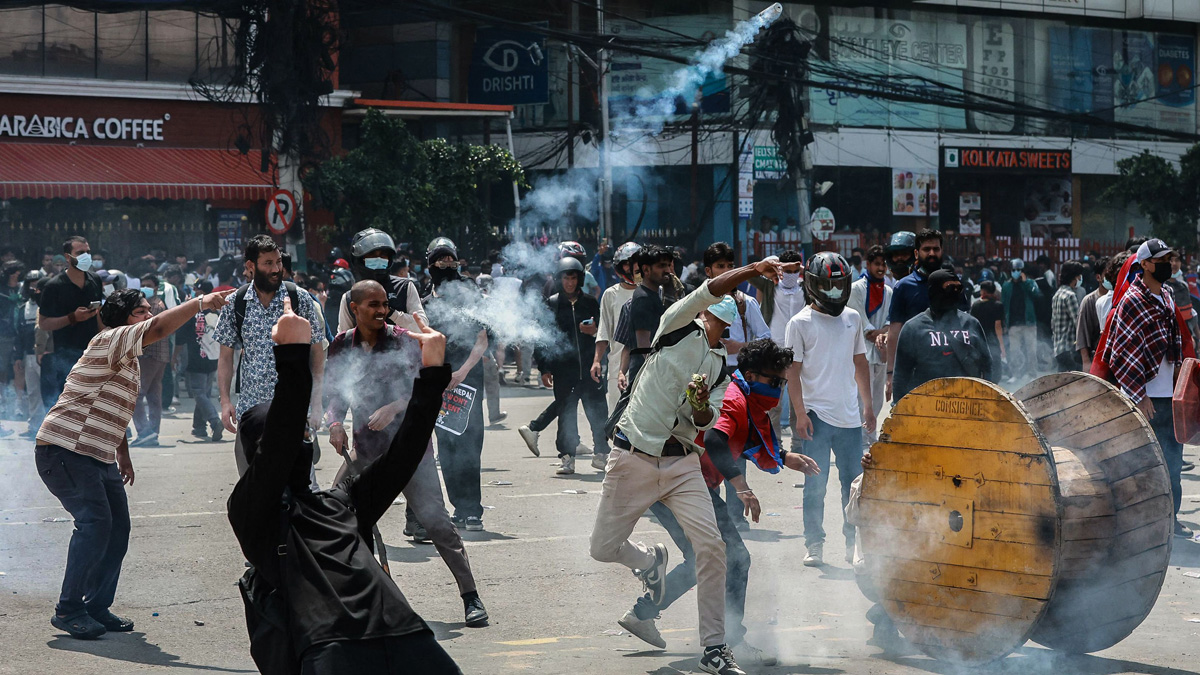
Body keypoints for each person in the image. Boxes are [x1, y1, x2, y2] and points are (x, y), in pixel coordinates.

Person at [227, 296, 463, 674]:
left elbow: (403, 453)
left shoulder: (341, 502)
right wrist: (291, 358)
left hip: (407, 639)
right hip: (333, 649)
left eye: (305, 431)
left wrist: (432, 373)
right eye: (296, 431)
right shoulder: (254, 513)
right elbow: (277, 450)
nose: (304, 436)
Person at [591, 258, 784, 675]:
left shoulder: (718, 368)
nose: (714, 320)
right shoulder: (676, 324)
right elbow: (715, 285)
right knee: (602, 550)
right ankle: (648, 562)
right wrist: (756, 268)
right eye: (713, 310)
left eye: (719, 320)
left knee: (715, 549)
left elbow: (704, 424)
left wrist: (697, 406)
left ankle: (715, 649)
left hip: (681, 466)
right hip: (632, 455)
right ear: (703, 309)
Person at [36, 285, 232, 639]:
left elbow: (117, 410)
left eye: (148, 310)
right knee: (95, 523)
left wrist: (122, 455)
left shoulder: (128, 360)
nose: (148, 316)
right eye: (141, 311)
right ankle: (68, 609)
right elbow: (158, 329)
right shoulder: (112, 339)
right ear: (124, 319)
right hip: (65, 448)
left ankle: (96, 605)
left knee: (118, 529)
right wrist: (200, 302)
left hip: (98, 453)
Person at [616, 338, 819, 662]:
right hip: (676, 483)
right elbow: (715, 439)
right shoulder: (733, 399)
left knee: (703, 559)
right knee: (736, 558)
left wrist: (784, 456)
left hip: (678, 483)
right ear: (751, 375)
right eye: (775, 381)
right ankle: (732, 642)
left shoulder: (748, 401)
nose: (779, 388)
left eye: (782, 381)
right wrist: (740, 485)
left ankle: (642, 614)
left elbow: (748, 438)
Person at [325, 280, 488, 627]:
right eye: (373, 305)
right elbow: (335, 392)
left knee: (438, 525)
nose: (382, 310)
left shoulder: (405, 340)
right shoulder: (341, 344)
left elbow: (427, 392)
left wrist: (393, 408)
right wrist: (334, 422)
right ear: (354, 309)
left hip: (412, 453)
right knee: (339, 517)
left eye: (384, 304)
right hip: (365, 450)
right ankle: (361, 603)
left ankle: (470, 596)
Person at [786, 251, 875, 568]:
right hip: (816, 419)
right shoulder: (799, 323)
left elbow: (860, 362)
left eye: (840, 286)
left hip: (850, 418)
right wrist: (799, 413)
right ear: (812, 285)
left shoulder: (852, 318)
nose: (835, 292)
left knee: (854, 487)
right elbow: (792, 372)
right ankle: (815, 544)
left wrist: (868, 405)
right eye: (828, 286)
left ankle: (854, 544)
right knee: (815, 487)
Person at [1103, 239, 1193, 538]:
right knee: (1146, 465)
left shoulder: (1166, 295)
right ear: (1144, 265)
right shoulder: (1132, 300)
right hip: (1147, 397)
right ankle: (1145, 526)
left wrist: (1180, 369)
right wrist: (1139, 395)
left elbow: (1174, 339)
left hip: (1169, 394)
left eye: (1170, 258)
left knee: (1173, 462)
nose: (1168, 263)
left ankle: (1170, 520)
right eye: (1161, 259)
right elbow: (1124, 353)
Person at [216, 236, 326, 476]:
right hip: (251, 412)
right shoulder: (236, 303)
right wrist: (225, 402)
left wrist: (316, 404)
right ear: (250, 266)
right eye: (268, 263)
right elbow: (225, 357)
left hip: (295, 410)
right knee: (251, 485)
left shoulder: (299, 299)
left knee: (298, 486)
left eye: (278, 262)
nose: (276, 269)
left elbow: (317, 353)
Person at [423, 238, 491, 531]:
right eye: (440, 259)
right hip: (438, 384)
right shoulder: (426, 299)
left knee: (469, 444)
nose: (447, 264)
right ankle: (458, 508)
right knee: (446, 446)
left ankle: (472, 509)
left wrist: (462, 372)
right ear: (430, 264)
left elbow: (483, 337)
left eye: (451, 258)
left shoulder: (469, 290)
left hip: (467, 380)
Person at [518, 257, 608, 475]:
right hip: (563, 368)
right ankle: (567, 458)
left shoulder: (590, 302)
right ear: (559, 279)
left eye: (574, 278)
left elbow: (603, 332)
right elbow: (543, 339)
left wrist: (594, 331)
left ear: (580, 279)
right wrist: (544, 368)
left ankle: (602, 453)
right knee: (567, 414)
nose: (570, 282)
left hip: (589, 366)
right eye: (566, 278)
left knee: (597, 411)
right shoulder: (552, 304)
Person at [702, 242, 771, 528]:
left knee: (737, 446)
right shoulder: (699, 301)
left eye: (730, 267)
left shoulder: (747, 302)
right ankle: (709, 511)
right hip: (706, 379)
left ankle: (734, 513)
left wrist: (738, 347)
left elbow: (766, 341)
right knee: (707, 445)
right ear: (708, 272)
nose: (727, 273)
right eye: (720, 268)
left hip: (738, 380)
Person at [891, 270, 994, 401]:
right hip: (927, 406)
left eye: (959, 288)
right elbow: (901, 374)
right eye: (950, 288)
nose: (955, 292)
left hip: (967, 404)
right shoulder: (913, 327)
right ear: (934, 290)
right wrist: (898, 409)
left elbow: (987, 364)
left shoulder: (971, 323)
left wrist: (988, 398)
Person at [38, 236, 104, 411]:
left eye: (88, 252)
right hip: (64, 356)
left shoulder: (94, 280)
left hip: (92, 353)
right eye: (80, 253)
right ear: (68, 257)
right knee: (68, 407)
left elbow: (99, 316)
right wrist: (72, 318)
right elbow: (44, 323)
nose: (86, 256)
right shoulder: (54, 286)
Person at [752, 250, 805, 441]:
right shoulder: (769, 286)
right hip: (774, 349)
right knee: (774, 401)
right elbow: (753, 272)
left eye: (794, 270)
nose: (790, 275)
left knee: (797, 401)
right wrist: (770, 265)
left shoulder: (806, 288)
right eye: (786, 270)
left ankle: (798, 443)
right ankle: (775, 443)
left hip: (799, 351)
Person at [885, 229, 943, 400]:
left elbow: (964, 325)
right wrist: (890, 373)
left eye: (936, 249)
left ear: (941, 251)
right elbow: (894, 332)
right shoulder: (903, 287)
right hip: (912, 372)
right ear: (917, 253)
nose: (932, 253)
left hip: (948, 370)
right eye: (927, 249)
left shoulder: (952, 282)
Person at [337, 228, 426, 333]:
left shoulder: (404, 287)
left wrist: (392, 313)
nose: (379, 259)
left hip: (404, 349)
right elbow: (343, 337)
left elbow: (422, 326)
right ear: (359, 259)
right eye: (372, 255)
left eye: (383, 255)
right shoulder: (349, 297)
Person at [847, 246, 891, 448]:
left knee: (877, 398)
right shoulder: (856, 289)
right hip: (862, 349)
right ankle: (862, 439)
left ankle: (871, 437)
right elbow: (860, 320)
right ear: (868, 265)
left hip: (882, 350)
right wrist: (877, 334)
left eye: (883, 264)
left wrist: (884, 334)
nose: (881, 268)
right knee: (862, 396)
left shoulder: (889, 291)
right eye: (877, 264)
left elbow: (892, 319)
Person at [615, 245, 674, 389]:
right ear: (646, 270)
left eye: (667, 265)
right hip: (647, 378)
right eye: (661, 266)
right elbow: (643, 346)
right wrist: (659, 375)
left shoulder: (654, 296)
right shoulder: (643, 298)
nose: (667, 270)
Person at [592, 242, 640, 412]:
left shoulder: (655, 292)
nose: (631, 268)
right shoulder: (610, 294)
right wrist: (597, 361)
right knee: (618, 419)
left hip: (648, 366)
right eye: (627, 263)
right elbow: (604, 330)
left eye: (636, 263)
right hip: (617, 366)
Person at [176, 279, 223, 442]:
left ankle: (214, 421)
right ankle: (199, 427)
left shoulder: (193, 311)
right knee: (204, 392)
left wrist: (175, 356)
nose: (193, 294)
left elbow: (180, 337)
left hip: (195, 358)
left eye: (195, 291)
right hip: (213, 357)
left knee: (198, 392)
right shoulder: (217, 312)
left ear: (201, 293)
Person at [130, 275, 170, 447]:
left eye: (148, 285)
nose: (145, 288)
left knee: (135, 395)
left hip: (149, 354)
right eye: (143, 285)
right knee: (154, 396)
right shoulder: (160, 304)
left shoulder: (151, 306)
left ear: (155, 288)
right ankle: (152, 432)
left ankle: (145, 431)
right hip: (159, 355)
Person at [16, 270, 48, 438]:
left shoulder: (48, 307)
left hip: (44, 356)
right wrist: (18, 357)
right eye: (31, 284)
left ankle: (49, 427)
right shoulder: (23, 309)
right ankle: (34, 425)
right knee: (33, 392)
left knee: (47, 391)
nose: (34, 288)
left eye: (37, 284)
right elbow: (19, 335)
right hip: (28, 356)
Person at [1001, 258, 1042, 382]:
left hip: (1028, 322)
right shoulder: (1007, 286)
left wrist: (1026, 283)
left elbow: (1036, 295)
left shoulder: (1030, 283)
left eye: (1018, 270)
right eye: (1014, 270)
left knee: (1031, 350)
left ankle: (1032, 374)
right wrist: (1004, 322)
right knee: (1014, 351)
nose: (1016, 272)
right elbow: (1004, 304)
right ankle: (1016, 374)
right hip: (1013, 323)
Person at [1076, 256, 1111, 365]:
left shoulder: (1120, 298)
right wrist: (1086, 362)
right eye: (1107, 274)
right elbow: (1082, 333)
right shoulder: (1089, 301)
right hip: (1096, 356)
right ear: (1098, 277)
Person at [1052, 261, 1085, 372]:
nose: (1081, 278)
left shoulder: (1058, 294)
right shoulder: (1070, 296)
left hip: (1059, 348)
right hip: (1069, 348)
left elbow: (1053, 323)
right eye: (1079, 275)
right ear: (1075, 276)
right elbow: (1078, 323)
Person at [971, 280, 1007, 378]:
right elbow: (998, 326)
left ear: (982, 291)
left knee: (981, 368)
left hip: (978, 341)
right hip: (993, 342)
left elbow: (972, 326)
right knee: (995, 369)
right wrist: (1002, 345)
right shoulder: (998, 305)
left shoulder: (975, 306)